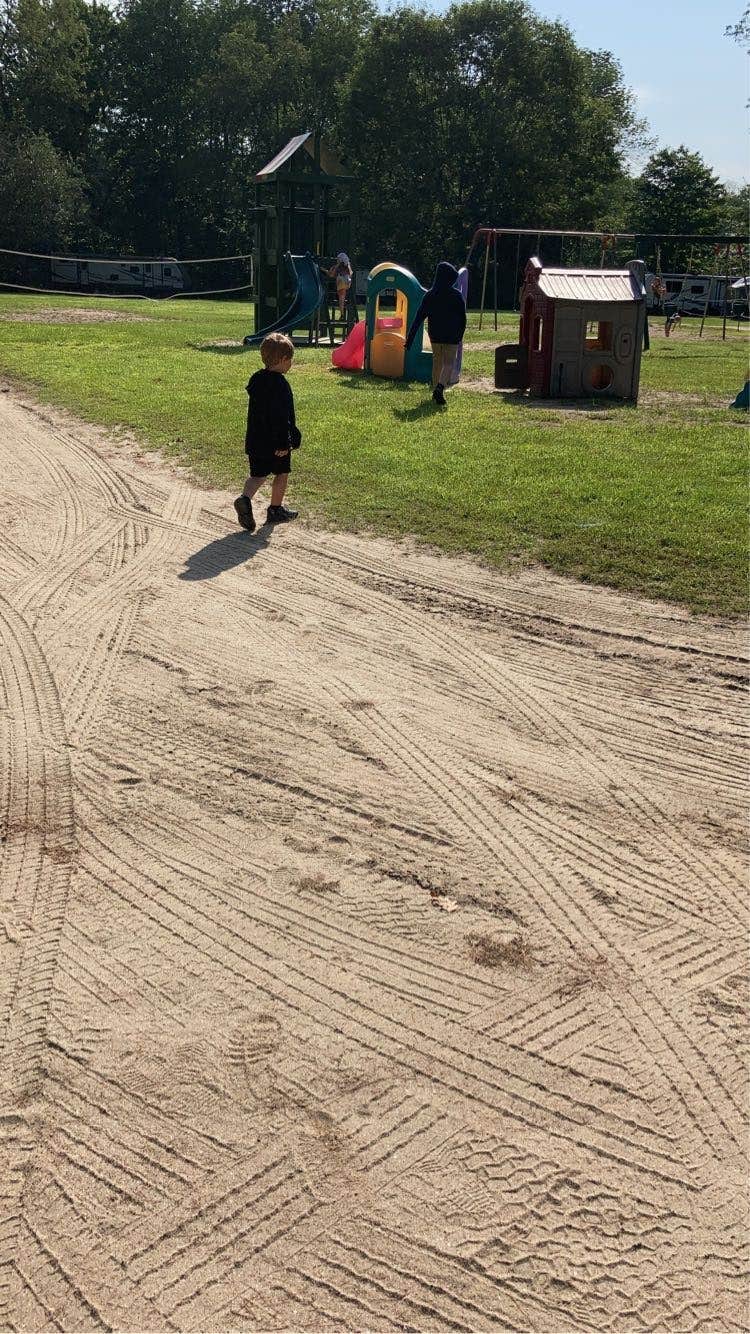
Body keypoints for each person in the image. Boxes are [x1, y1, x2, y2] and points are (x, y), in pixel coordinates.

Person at [234, 332, 301, 531]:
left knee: (258, 475)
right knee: (282, 472)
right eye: (290, 360)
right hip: (275, 442)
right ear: (283, 359)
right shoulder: (280, 385)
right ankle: (275, 509)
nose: (290, 364)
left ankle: (245, 499)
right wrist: (284, 442)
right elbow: (280, 416)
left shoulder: (257, 379)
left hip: (256, 440)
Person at [405, 261, 467, 405]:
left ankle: (435, 389)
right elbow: (463, 318)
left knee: (437, 362)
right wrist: (460, 335)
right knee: (448, 363)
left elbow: (418, 318)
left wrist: (410, 339)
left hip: (435, 335)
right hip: (452, 336)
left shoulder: (430, 295)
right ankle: (439, 388)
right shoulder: (456, 295)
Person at [327, 252, 353, 320]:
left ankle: (342, 314)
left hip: (341, 282)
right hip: (346, 282)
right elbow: (351, 273)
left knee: (341, 299)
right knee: (342, 298)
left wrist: (335, 267)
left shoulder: (338, 266)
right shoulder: (347, 265)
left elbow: (332, 275)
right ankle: (342, 313)